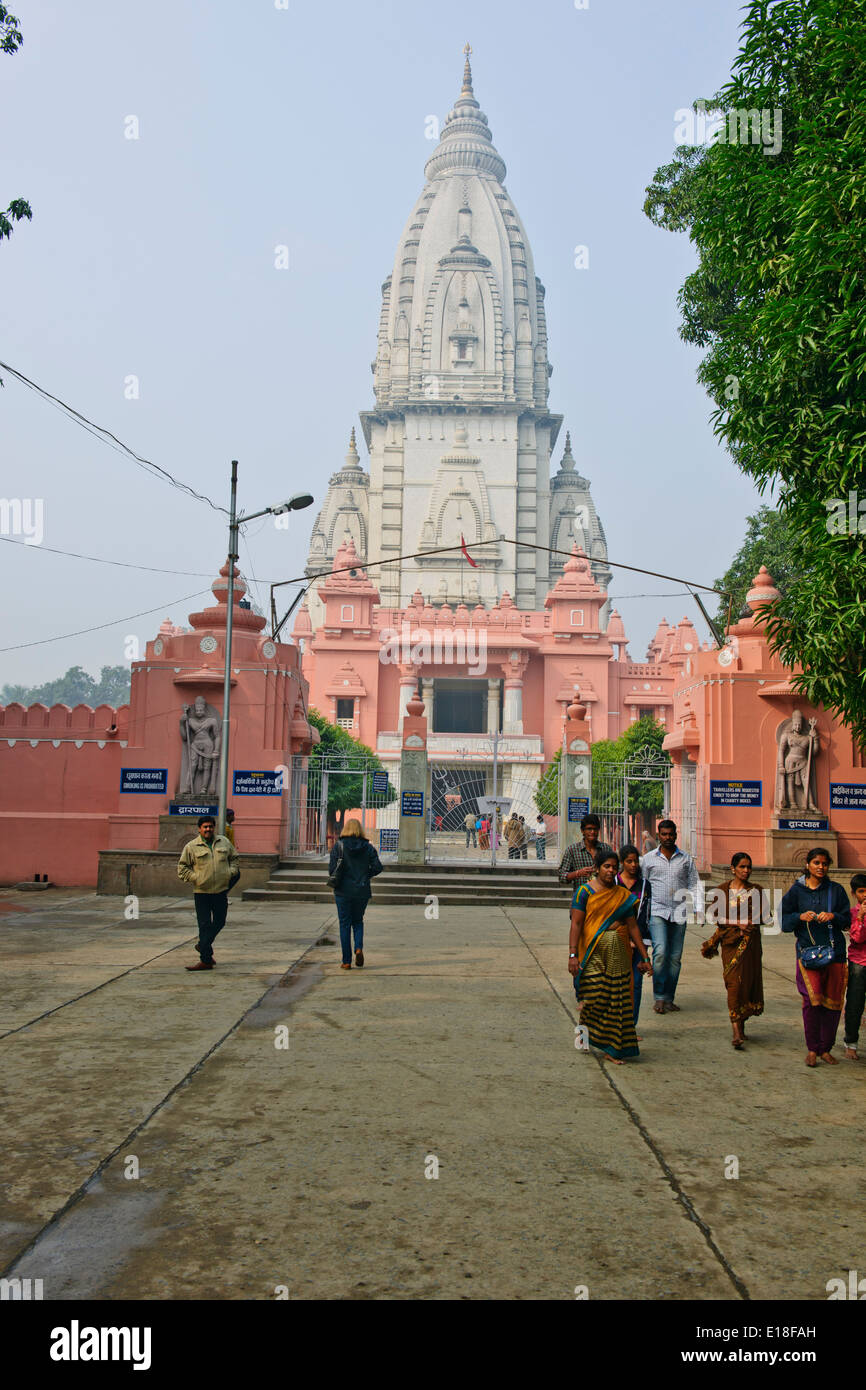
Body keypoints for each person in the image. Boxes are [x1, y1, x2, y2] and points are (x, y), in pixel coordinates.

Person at [568, 848, 653, 1064]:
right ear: (597, 868)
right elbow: (576, 924)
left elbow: (634, 927)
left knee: (617, 1000)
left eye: (614, 867)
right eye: (606, 866)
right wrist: (572, 955)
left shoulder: (622, 896)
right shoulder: (584, 893)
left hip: (619, 955)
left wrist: (644, 957)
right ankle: (585, 1035)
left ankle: (613, 1048)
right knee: (594, 997)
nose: (610, 871)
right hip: (592, 954)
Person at [781, 847, 850, 1067]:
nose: (821, 867)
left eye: (824, 863)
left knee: (833, 1003)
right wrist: (800, 916)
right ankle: (812, 1048)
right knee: (812, 1002)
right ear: (808, 865)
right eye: (817, 863)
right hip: (808, 953)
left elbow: (847, 919)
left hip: (835, 953)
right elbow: (784, 922)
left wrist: (833, 916)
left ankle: (826, 1049)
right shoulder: (797, 891)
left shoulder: (836, 890)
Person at [700, 852, 766, 1049]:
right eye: (742, 867)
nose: (746, 871)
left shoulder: (757, 890)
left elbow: (765, 917)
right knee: (733, 984)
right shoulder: (722, 890)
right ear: (733, 869)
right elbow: (713, 917)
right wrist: (738, 923)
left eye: (749, 867)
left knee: (747, 984)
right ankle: (736, 1030)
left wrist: (751, 921)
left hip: (751, 945)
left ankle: (741, 1023)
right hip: (730, 943)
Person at [640, 820, 704, 1014]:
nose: (667, 837)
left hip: (679, 911)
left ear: (676, 835)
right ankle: (659, 997)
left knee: (675, 958)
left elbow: (694, 884)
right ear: (658, 835)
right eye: (664, 834)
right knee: (660, 952)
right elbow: (643, 887)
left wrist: (699, 909)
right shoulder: (649, 859)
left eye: (671, 834)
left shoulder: (686, 859)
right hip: (657, 911)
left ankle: (669, 998)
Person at [177, 815, 240, 971]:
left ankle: (203, 945)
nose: (208, 829)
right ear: (199, 829)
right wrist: (196, 878)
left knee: (220, 922)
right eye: (205, 827)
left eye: (210, 826)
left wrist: (230, 872)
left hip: (220, 892)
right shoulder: (191, 847)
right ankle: (205, 959)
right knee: (204, 926)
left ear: (214, 828)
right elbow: (182, 868)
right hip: (202, 893)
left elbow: (235, 859)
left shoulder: (224, 842)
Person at [329, 818, 383, 970]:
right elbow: (378, 867)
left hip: (342, 891)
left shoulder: (338, 846)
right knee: (358, 921)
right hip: (362, 890)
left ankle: (346, 961)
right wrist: (366, 875)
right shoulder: (368, 847)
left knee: (344, 924)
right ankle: (358, 948)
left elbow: (331, 870)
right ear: (360, 830)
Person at [616, 844, 652, 1028]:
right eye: (629, 861)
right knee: (617, 984)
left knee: (636, 984)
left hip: (639, 942)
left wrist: (643, 945)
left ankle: (631, 1025)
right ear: (622, 863)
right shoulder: (614, 882)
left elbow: (646, 915)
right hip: (616, 940)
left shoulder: (644, 885)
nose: (633, 865)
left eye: (635, 861)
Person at [558, 814, 614, 892]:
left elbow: (615, 871)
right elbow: (562, 877)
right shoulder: (572, 850)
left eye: (595, 829)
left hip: (603, 898)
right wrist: (578, 873)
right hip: (582, 899)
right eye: (589, 829)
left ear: (598, 830)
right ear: (582, 831)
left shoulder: (606, 849)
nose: (592, 832)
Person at [843, 873, 866, 1060]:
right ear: (854, 893)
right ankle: (851, 1043)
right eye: (861, 892)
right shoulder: (852, 914)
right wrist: (860, 917)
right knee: (855, 1004)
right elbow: (857, 938)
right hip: (859, 963)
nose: (865, 895)